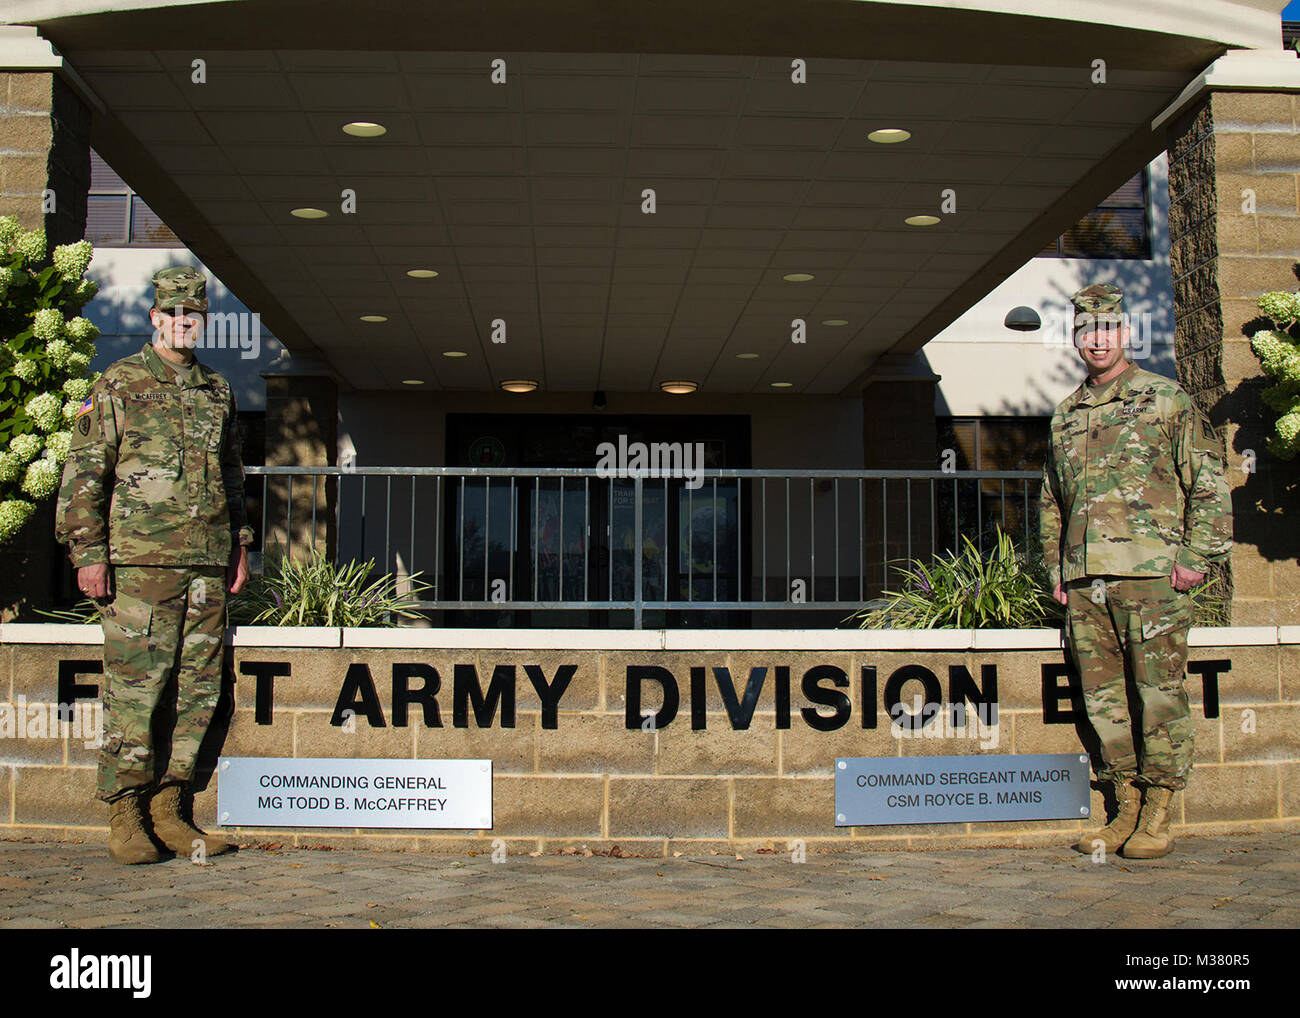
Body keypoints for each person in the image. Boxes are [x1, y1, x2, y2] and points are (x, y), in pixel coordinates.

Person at [55, 265, 253, 864]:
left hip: (206, 562)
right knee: (136, 688)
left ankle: (172, 809)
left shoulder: (218, 391)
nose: (183, 324)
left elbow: (232, 477)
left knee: (198, 688)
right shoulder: (119, 382)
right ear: (155, 319)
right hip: (140, 562)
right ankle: (126, 812)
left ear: (203, 322)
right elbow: (84, 471)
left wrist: (238, 546)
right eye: (172, 315)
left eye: (193, 316)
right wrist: (88, 554)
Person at [1039, 283, 1232, 860]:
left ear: (1125, 334)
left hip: (1152, 577)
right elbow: (1052, 499)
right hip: (1085, 581)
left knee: (1158, 693)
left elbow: (1209, 482)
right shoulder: (1066, 415)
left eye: (1108, 329)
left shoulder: (1164, 399)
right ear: (1076, 339)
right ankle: (1122, 806)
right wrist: (1057, 570)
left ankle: (1159, 812)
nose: (1098, 340)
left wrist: (1196, 560)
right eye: (1086, 331)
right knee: (1101, 699)